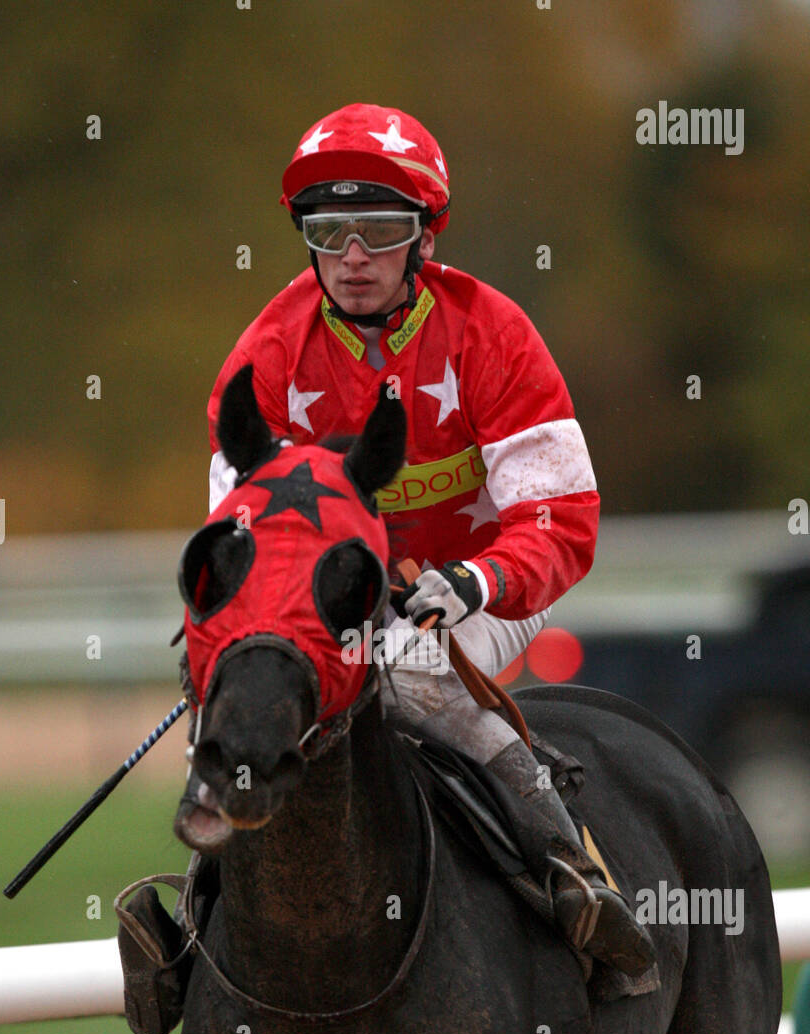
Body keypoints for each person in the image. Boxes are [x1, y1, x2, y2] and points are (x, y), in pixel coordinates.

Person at [202, 103, 653, 977]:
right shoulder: (265, 355)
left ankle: (576, 881)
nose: (355, 256)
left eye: (381, 229)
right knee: (249, 695)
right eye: (331, 232)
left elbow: (562, 519)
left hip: (493, 585)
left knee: (419, 677)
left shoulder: (494, 335)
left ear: (425, 238)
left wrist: (476, 583)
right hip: (338, 604)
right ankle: (193, 919)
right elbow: (236, 543)